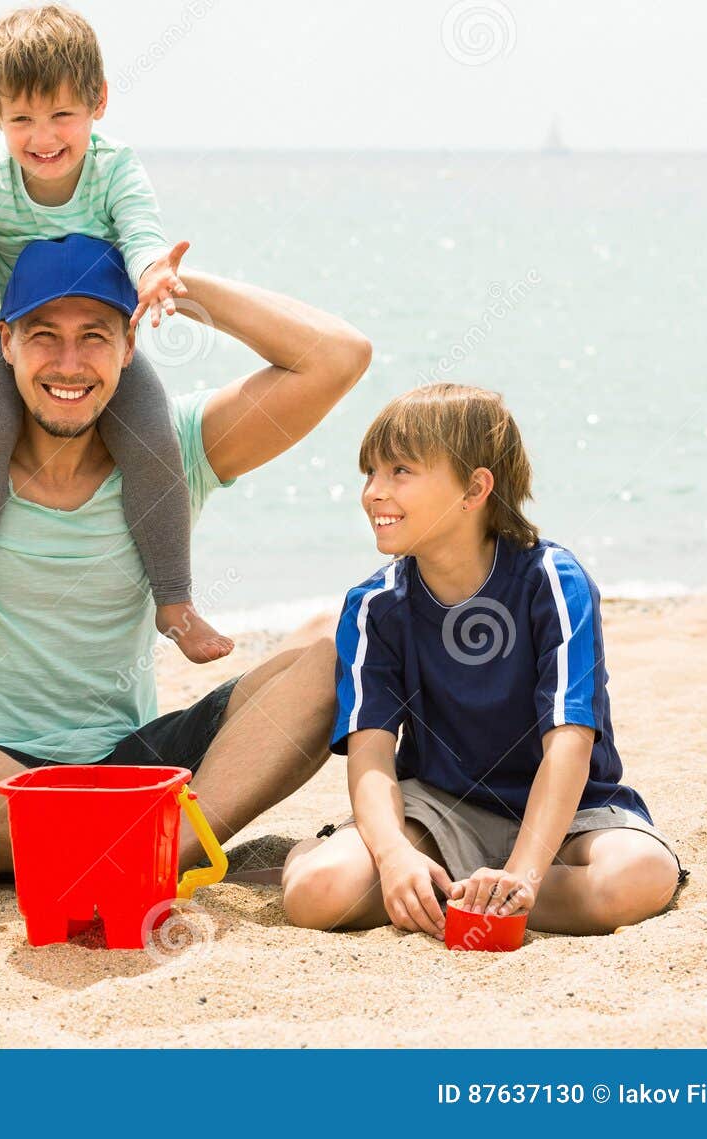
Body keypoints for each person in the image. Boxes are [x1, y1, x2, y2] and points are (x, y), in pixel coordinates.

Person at [0, 234, 373, 879]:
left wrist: (171, 283)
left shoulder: (173, 450)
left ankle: (158, 853)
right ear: (5, 341)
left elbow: (338, 357)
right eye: (43, 334)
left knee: (336, 642)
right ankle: (124, 857)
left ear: (129, 346)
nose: (69, 364)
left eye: (95, 336)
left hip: (134, 777)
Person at [282, 383, 685, 937]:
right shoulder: (374, 605)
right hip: (441, 810)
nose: (374, 492)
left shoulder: (552, 582)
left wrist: (524, 873)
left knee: (638, 877)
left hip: (569, 817)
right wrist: (395, 855)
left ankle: (467, 893)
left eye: (400, 470)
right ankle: (384, 869)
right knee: (317, 893)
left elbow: (571, 741)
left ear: (474, 488)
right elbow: (371, 754)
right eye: (369, 473)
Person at [0, 3, 230, 663]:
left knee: (154, 433)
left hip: (97, 334)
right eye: (21, 119)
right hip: (9, 334)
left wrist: (155, 273)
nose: (42, 137)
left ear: (98, 102)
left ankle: (175, 602)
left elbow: (140, 231)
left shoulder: (114, 167)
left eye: (60, 116)